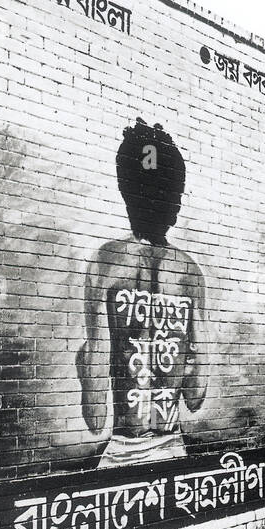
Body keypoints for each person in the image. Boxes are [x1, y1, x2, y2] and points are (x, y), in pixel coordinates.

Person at [79, 119, 208, 468]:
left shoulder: (105, 263)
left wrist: (88, 360)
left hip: (121, 452)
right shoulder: (190, 273)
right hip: (173, 450)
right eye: (173, 193)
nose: (174, 204)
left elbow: (94, 417)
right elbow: (196, 397)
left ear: (126, 190)